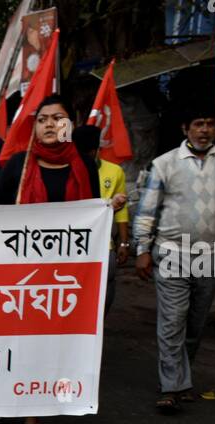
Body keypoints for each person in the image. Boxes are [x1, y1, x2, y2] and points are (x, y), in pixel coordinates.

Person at [0, 95, 94, 424]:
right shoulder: (17, 167)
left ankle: (31, 417)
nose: (50, 125)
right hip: (19, 275)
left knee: (47, 345)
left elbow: (90, 221)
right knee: (14, 342)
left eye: (58, 118)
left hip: (64, 277)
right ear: (33, 127)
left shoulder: (85, 167)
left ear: (71, 125)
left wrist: (107, 210)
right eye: (43, 119)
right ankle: (6, 398)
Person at [133, 106, 215, 412]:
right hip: (171, 252)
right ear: (186, 128)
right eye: (199, 123)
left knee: (195, 323)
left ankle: (181, 376)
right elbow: (146, 211)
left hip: (211, 255)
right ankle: (171, 386)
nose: (205, 129)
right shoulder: (164, 164)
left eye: (210, 124)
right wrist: (141, 249)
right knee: (173, 321)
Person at [73, 124, 131, 311]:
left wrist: (123, 242)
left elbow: (122, 209)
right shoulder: (68, 170)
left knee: (102, 301)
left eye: (91, 151)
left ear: (98, 149)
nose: (87, 156)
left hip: (104, 246)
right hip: (72, 247)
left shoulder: (115, 172)